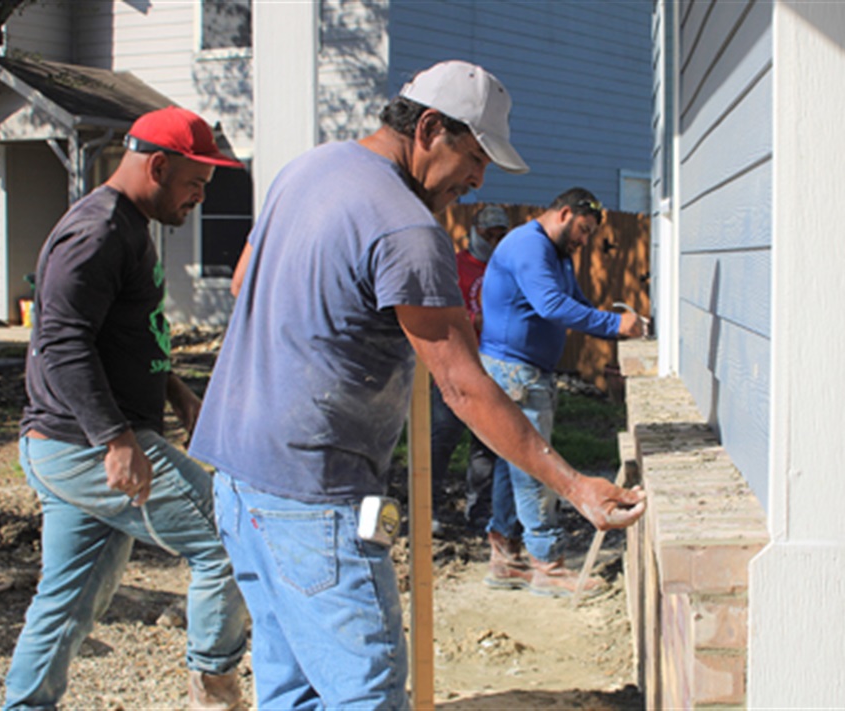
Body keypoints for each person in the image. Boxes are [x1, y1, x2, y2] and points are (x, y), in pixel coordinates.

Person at [187, 60, 645, 709]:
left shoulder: (305, 170)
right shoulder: (405, 226)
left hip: (237, 480)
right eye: (476, 156)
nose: (479, 179)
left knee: (294, 686)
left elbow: (242, 284)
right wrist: (575, 487)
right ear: (430, 127)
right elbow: (463, 386)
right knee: (367, 691)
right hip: (312, 493)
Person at [5, 106, 249, 710]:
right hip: (83, 444)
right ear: (158, 166)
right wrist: (116, 439)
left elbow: (127, 333)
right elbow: (61, 343)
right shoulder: (98, 232)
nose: (199, 197)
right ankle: (214, 690)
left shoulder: (130, 226)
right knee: (231, 539)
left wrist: (176, 390)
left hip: (70, 444)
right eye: (195, 183)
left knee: (68, 597)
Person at [479, 187, 645, 597]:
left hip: (523, 371)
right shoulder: (529, 246)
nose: (584, 241)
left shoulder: (556, 254)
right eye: (583, 230)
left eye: (589, 234)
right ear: (564, 213)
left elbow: (573, 299)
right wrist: (612, 325)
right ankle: (549, 567)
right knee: (536, 466)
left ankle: (506, 557)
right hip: (513, 372)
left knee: (512, 461)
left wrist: (611, 320)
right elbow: (552, 306)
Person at [430, 204, 510, 530]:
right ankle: (427, 507)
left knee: (487, 445)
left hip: (493, 368)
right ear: (474, 232)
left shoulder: (507, 269)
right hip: (455, 366)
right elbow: (445, 312)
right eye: (488, 234)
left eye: (499, 234)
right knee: (441, 439)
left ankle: (479, 511)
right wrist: (478, 320)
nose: (493, 240)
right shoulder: (455, 266)